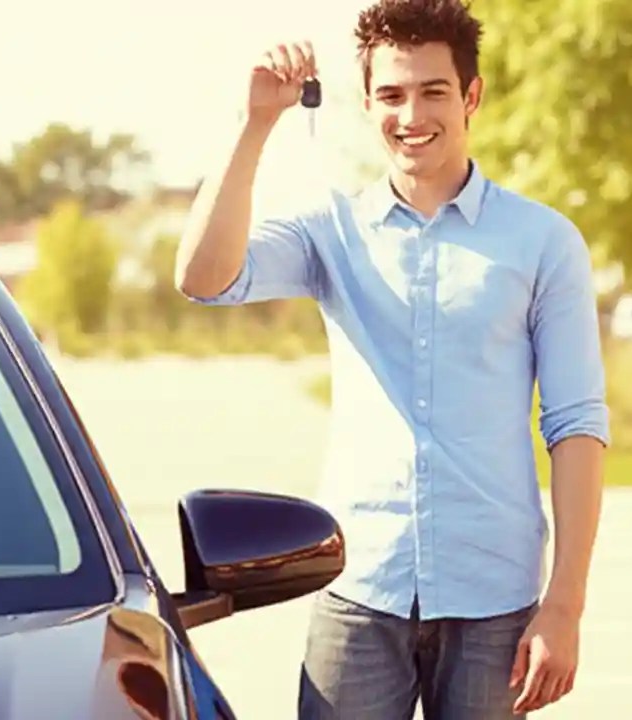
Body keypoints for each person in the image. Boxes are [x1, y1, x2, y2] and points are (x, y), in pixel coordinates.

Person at [173, 0, 609, 717]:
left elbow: (576, 425)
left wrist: (565, 606)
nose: (412, 116)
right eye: (392, 95)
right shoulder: (331, 231)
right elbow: (203, 278)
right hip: (359, 592)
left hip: (495, 600)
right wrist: (256, 123)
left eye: (434, 91)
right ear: (369, 103)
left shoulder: (543, 242)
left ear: (471, 97)